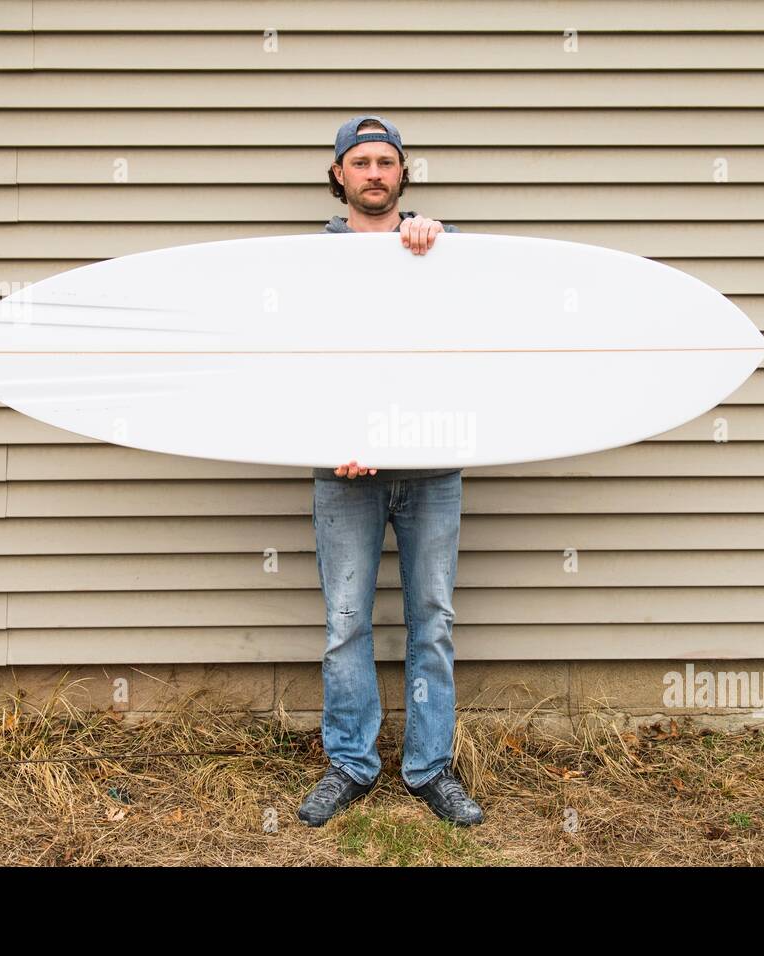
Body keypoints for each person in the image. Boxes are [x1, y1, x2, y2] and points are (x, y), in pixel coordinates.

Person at [297, 115, 484, 828]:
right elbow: (301, 357)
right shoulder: (310, 259)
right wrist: (341, 430)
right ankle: (350, 763)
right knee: (346, 622)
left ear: (403, 174)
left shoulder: (444, 247)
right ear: (338, 175)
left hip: (430, 465)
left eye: (387, 162)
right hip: (343, 469)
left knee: (430, 621)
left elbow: (464, 345)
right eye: (361, 162)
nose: (375, 173)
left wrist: (438, 250)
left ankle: (430, 770)